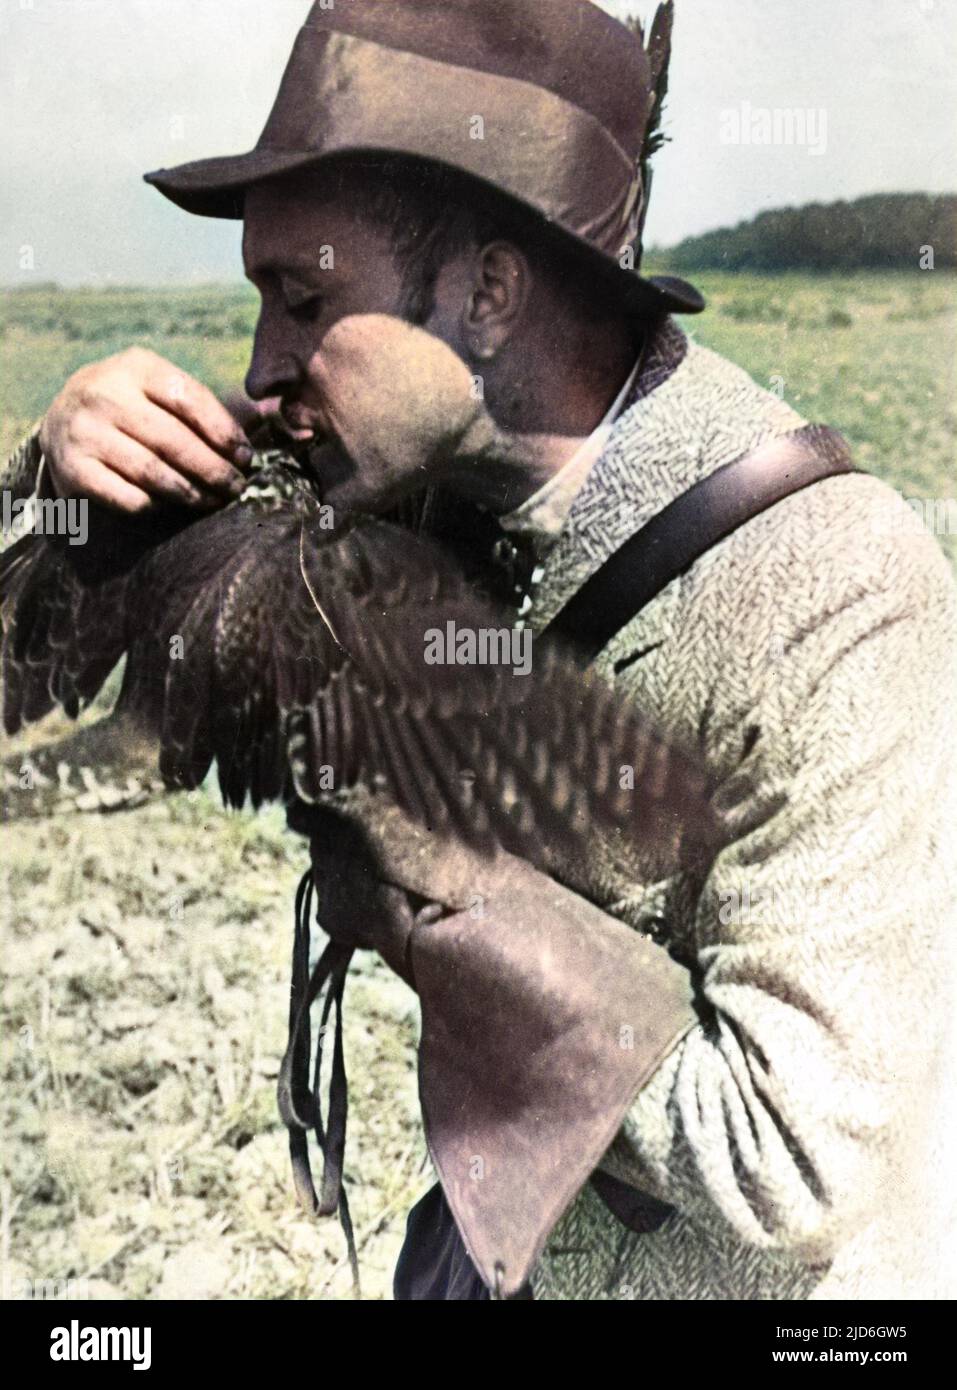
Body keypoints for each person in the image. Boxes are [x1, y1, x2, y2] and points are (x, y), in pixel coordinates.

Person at [4, 0, 956, 1301]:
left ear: (490, 295)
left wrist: (433, 881)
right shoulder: (413, 464)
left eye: (305, 300)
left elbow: (789, 1159)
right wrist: (56, 465)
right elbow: (92, 594)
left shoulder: (833, 597)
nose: (261, 367)